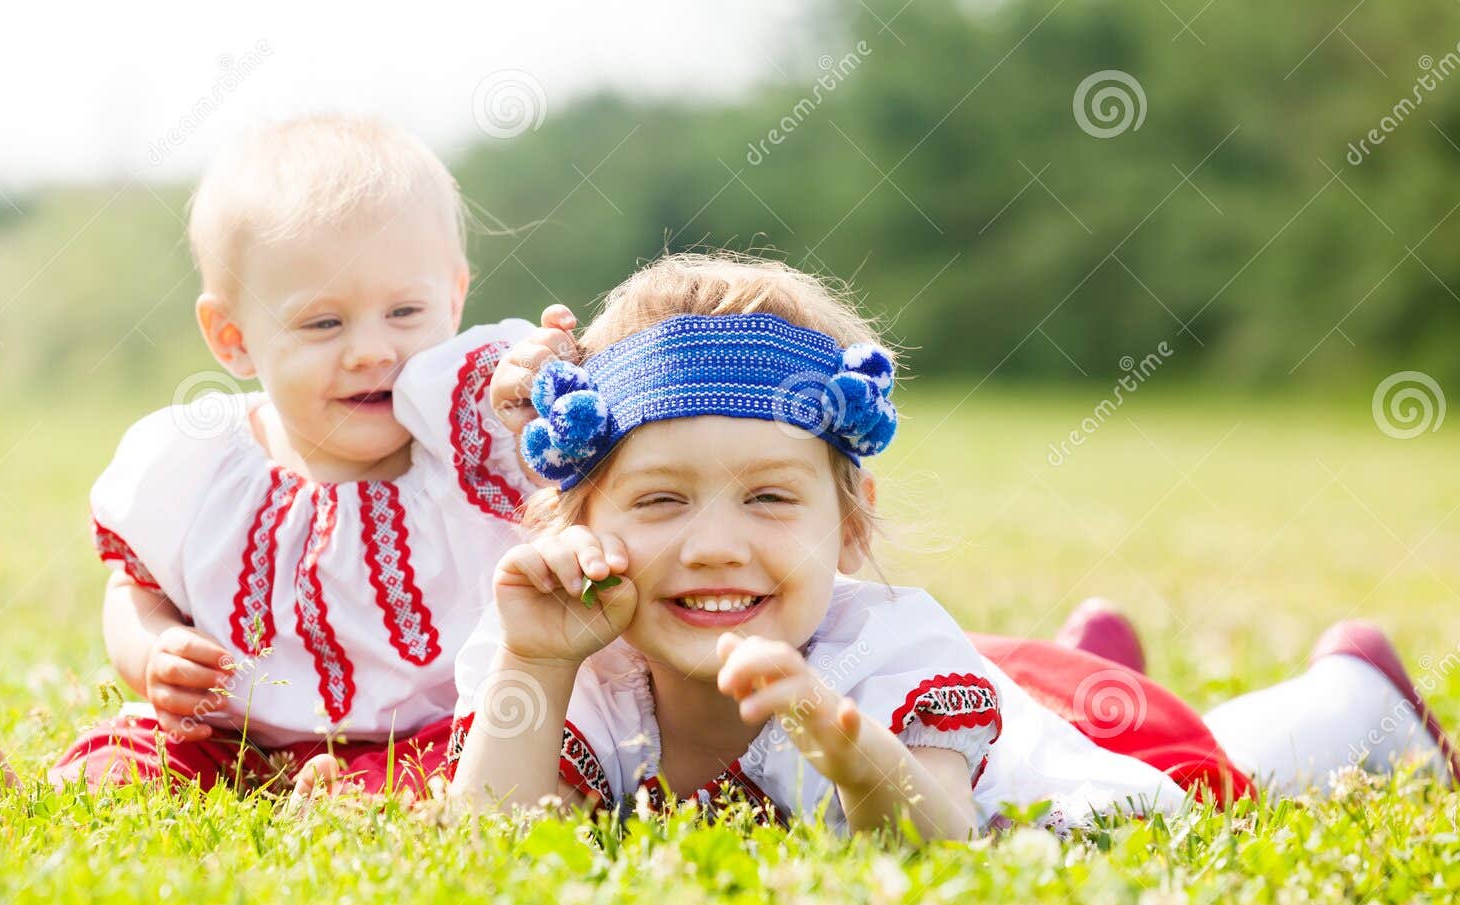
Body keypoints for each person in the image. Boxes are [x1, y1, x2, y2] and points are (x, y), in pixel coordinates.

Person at [454, 253, 1457, 838]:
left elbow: (946, 837)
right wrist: (534, 664)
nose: (714, 544)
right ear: (578, 522)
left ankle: (1350, 692)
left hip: (1013, 761)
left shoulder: (877, 655)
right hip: (987, 688)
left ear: (847, 526)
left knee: (1199, 771)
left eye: (768, 497)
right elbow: (491, 849)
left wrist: (851, 756)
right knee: (1040, 690)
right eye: (662, 500)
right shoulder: (583, 662)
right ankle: (1075, 673)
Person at [0, 115, 545, 803]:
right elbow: (134, 594)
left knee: (464, 766)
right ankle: (47, 798)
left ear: (453, 299)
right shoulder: (203, 465)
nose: (371, 350)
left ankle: (349, 801)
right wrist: (153, 652)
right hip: (226, 737)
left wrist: (545, 382)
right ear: (233, 337)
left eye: (404, 312)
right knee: (135, 755)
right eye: (323, 323)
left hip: (424, 731)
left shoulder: (475, 447)